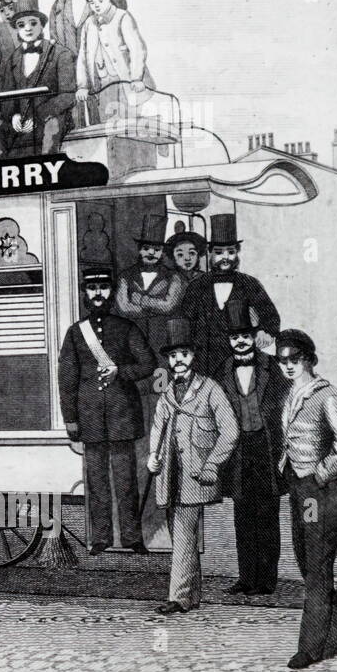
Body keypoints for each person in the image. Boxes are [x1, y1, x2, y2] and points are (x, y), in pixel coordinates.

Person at [58, 267, 155, 555]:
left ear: (111, 291)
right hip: (89, 418)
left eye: (103, 287)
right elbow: (67, 379)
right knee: (96, 482)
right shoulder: (76, 333)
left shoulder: (126, 329)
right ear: (85, 293)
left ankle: (131, 537)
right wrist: (72, 422)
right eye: (92, 288)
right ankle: (100, 538)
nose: (98, 293)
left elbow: (147, 364)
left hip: (122, 416)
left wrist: (120, 372)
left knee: (126, 482)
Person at [147, 320, 240, 615]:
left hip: (195, 476)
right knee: (180, 535)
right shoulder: (167, 393)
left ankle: (180, 597)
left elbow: (230, 430)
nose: (178, 361)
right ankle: (190, 594)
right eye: (174, 356)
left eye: (184, 354)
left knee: (184, 534)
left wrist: (212, 463)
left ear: (194, 356)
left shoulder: (210, 388)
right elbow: (157, 428)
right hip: (169, 475)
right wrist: (152, 456)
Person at [276, 329, 337, 668]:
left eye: (295, 359)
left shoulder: (327, 396)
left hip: (322, 492)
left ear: (310, 359)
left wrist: (321, 473)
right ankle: (336, 635)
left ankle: (310, 647)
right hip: (300, 489)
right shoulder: (292, 393)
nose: (289, 366)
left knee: (317, 563)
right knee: (307, 560)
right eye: (283, 361)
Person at [216, 300, 290, 596]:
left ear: (254, 336)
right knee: (243, 515)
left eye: (246, 335)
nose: (242, 342)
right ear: (228, 340)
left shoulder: (272, 367)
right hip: (238, 450)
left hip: (267, 447)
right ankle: (246, 578)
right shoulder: (221, 371)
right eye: (235, 337)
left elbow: (286, 407)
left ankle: (267, 580)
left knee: (268, 515)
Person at [180, 213, 280, 376]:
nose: (225, 257)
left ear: (237, 253)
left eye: (231, 252)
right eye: (219, 252)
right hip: (204, 363)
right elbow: (184, 323)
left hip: (241, 362)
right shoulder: (196, 286)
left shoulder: (250, 283)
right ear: (210, 253)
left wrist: (264, 331)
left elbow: (271, 316)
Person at [0, 0, 76, 157]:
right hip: (20, 122)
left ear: (41, 25)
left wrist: (37, 117)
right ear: (17, 29)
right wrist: (13, 116)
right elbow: (6, 97)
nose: (27, 29)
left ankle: (49, 173)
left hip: (49, 119)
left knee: (52, 125)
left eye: (33, 23)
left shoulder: (61, 54)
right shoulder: (13, 59)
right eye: (21, 25)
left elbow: (68, 94)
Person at [75, 0, 157, 130]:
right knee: (108, 126)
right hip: (102, 85)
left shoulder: (123, 17)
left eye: (99, 1)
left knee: (131, 125)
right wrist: (82, 85)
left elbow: (137, 49)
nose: (96, 6)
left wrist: (136, 78)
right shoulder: (88, 24)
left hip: (126, 82)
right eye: (92, 3)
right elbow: (82, 58)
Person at [114, 214, 185, 358]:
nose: (151, 253)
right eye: (146, 248)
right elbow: (123, 308)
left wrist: (139, 299)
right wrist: (156, 307)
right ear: (140, 250)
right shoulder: (125, 276)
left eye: (157, 249)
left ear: (162, 252)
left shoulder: (174, 277)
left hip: (163, 343)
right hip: (133, 344)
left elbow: (169, 306)